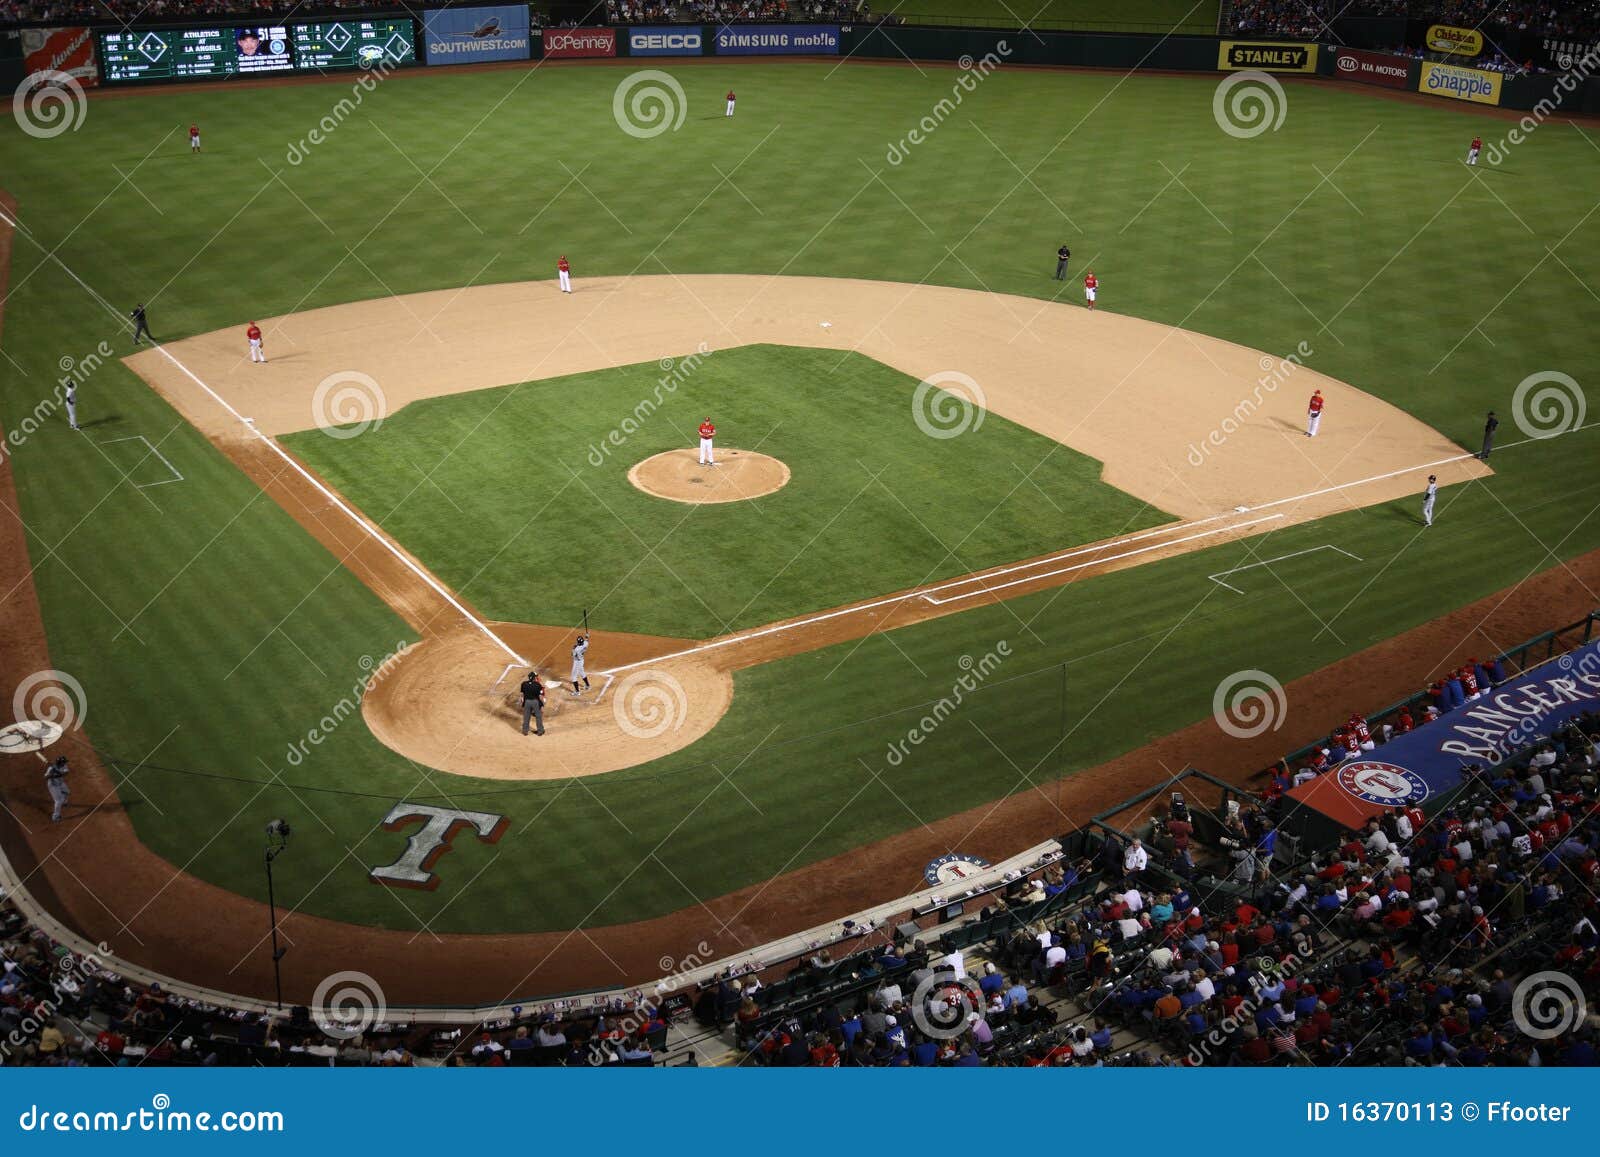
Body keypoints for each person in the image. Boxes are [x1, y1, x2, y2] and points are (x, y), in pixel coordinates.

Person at [519, 670, 545, 735]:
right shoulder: (537, 685)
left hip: (527, 702)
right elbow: (540, 696)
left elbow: (522, 695)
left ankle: (525, 731)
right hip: (535, 702)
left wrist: (522, 703)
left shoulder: (524, 684)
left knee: (526, 717)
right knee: (538, 716)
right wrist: (541, 705)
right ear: (534, 678)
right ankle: (540, 731)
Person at [44, 756, 69, 822]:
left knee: (67, 792)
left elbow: (66, 773)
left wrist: (57, 774)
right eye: (63, 762)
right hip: (53, 786)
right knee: (58, 801)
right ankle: (55, 816)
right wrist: (51, 775)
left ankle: (63, 802)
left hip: (60, 783)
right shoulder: (51, 768)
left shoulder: (64, 765)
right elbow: (45, 777)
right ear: (60, 763)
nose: (65, 763)